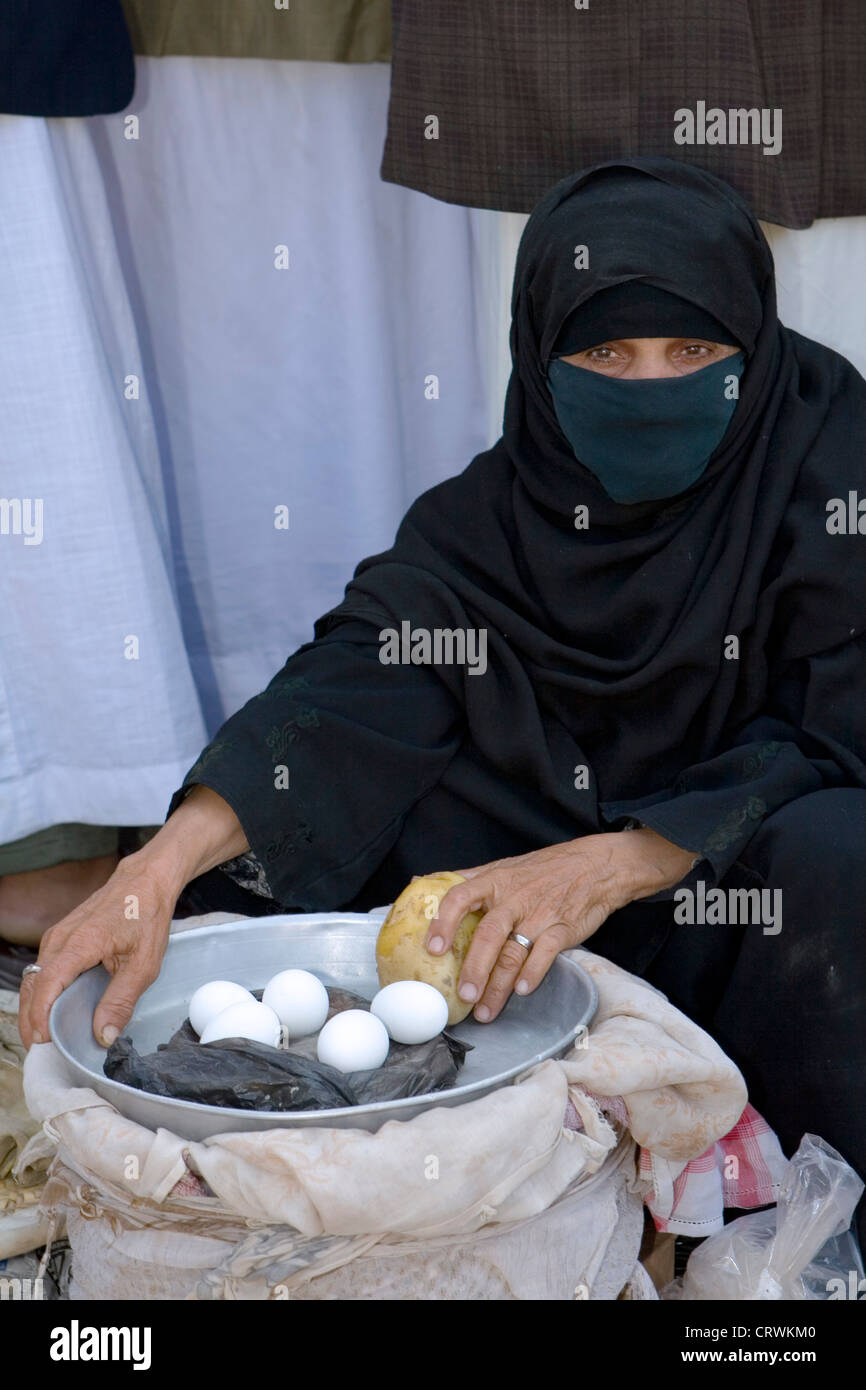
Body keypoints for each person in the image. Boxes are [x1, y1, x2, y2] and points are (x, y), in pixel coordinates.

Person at [18, 157, 866, 1244]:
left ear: (750, 347)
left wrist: (614, 862)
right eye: (604, 353)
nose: (649, 386)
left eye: (692, 352)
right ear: (538, 355)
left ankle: (772, 1216)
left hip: (737, 885)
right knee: (366, 794)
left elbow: (838, 728)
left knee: (840, 857)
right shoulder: (503, 511)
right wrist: (161, 864)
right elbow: (361, 675)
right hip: (537, 901)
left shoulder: (831, 471)